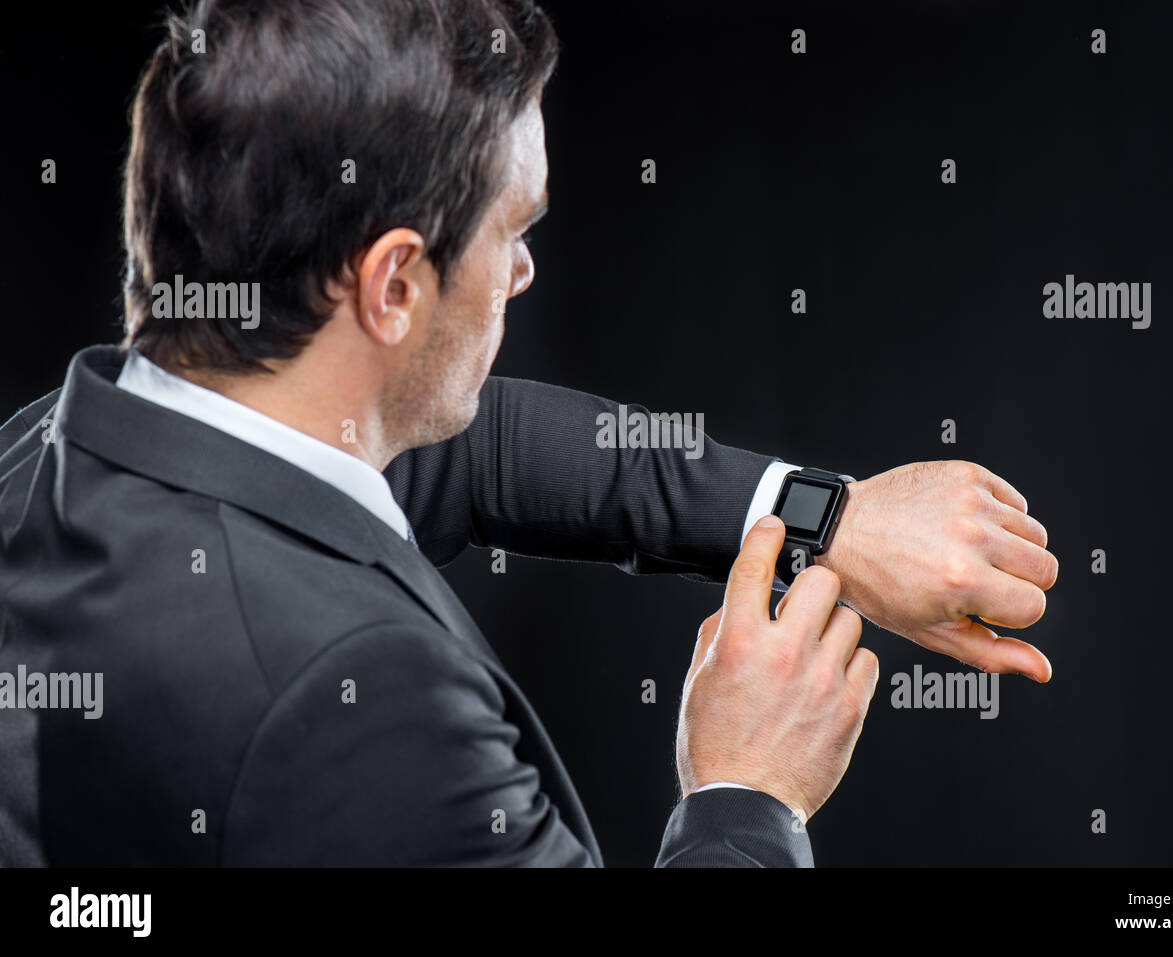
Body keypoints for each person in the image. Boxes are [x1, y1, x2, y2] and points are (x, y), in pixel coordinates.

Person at [0, 0, 1057, 866]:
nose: (523, 270)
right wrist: (745, 793)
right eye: (513, 228)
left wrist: (827, 521)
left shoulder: (70, 447)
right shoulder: (361, 704)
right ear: (394, 285)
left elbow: (466, 449)